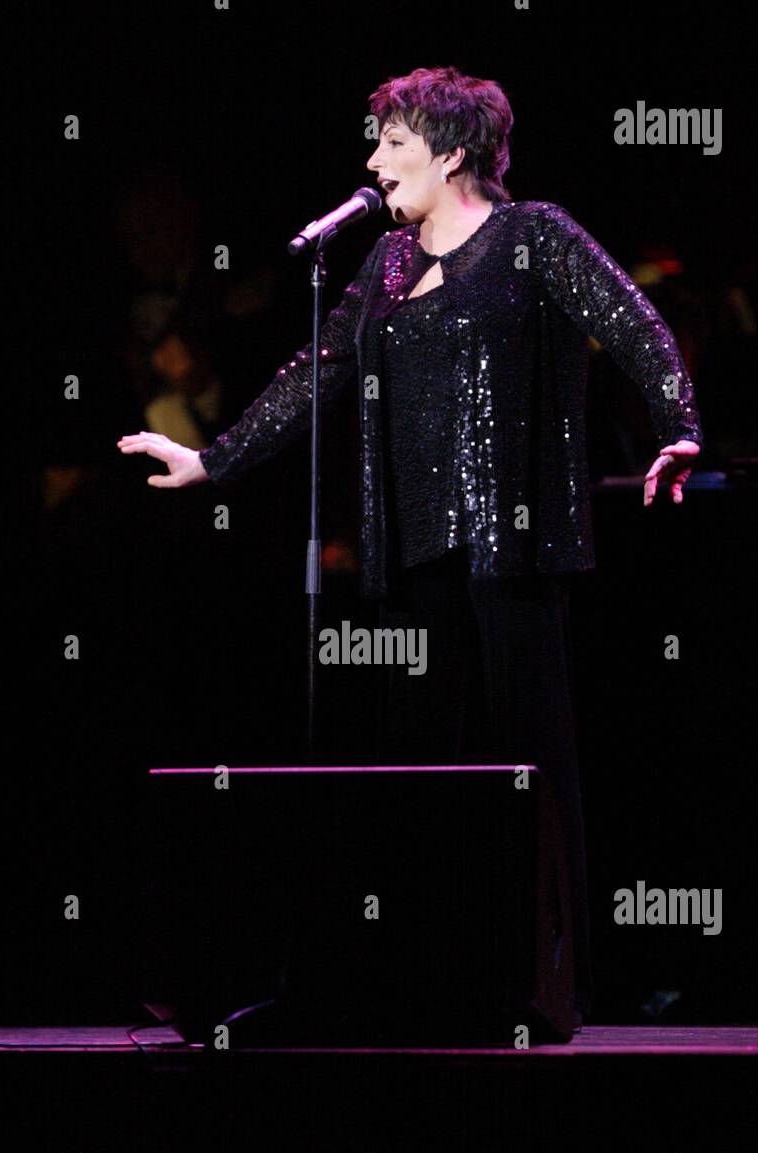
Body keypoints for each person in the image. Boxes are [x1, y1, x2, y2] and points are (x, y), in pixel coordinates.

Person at [118, 65, 703, 1022]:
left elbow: (634, 323)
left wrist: (677, 422)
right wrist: (212, 461)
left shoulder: (532, 236)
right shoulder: (384, 262)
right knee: (422, 771)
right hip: (414, 552)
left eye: (392, 142)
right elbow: (318, 370)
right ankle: (433, 970)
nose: (373, 161)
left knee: (532, 767)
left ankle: (555, 981)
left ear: (452, 151)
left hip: (513, 549)